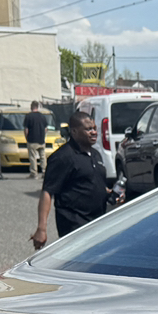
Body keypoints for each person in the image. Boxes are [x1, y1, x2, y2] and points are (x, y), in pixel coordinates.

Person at [31, 114, 121, 248]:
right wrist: (41, 229)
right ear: (74, 131)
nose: (94, 132)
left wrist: (109, 193)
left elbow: (93, 183)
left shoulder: (96, 155)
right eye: (88, 129)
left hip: (97, 222)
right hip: (74, 225)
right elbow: (47, 192)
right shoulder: (62, 157)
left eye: (94, 128)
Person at [23, 101, 50, 178]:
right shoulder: (42, 116)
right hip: (41, 140)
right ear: (37, 107)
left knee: (32, 157)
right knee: (43, 157)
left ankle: (34, 173)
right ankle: (44, 172)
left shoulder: (28, 116)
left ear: (31, 106)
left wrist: (26, 137)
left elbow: (26, 129)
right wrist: (43, 136)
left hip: (32, 139)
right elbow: (46, 129)